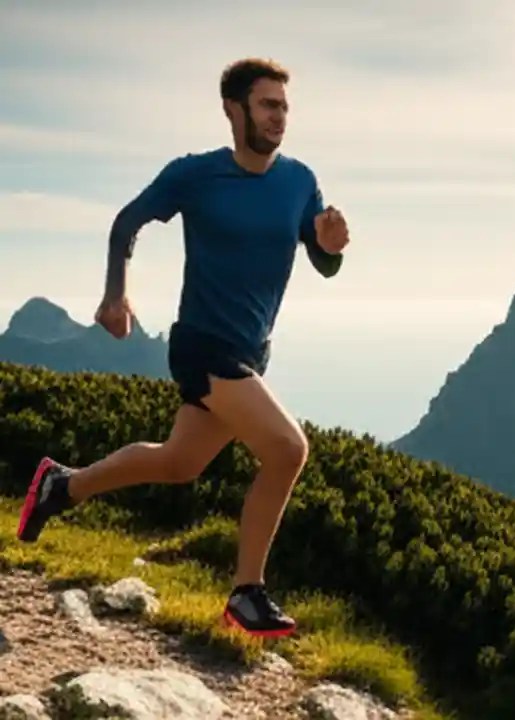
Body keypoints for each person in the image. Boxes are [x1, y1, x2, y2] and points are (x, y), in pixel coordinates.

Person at [14, 57, 349, 638]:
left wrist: (332, 246)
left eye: (285, 107)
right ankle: (247, 592)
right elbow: (127, 222)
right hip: (203, 346)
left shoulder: (300, 181)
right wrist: (115, 296)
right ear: (233, 109)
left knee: (178, 463)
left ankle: (61, 486)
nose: (279, 117)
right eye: (268, 105)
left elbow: (323, 262)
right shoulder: (195, 175)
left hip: (250, 351)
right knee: (288, 449)